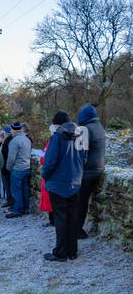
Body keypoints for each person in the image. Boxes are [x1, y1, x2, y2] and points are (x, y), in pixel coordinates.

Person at [41, 112, 85, 262]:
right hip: (76, 183)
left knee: (61, 219)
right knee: (72, 218)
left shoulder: (57, 137)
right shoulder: (80, 136)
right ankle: (72, 251)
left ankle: (60, 253)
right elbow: (83, 159)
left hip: (58, 185)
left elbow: (50, 162)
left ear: (57, 124)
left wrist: (45, 175)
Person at [76, 105, 105, 239]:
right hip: (98, 168)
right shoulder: (99, 127)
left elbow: (80, 153)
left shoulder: (85, 129)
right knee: (83, 201)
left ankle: (77, 230)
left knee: (80, 202)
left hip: (87, 171)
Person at [4, 122, 32, 218]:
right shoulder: (26, 139)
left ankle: (17, 209)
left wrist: (8, 167)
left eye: (11, 129)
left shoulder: (14, 141)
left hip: (17, 168)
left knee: (16, 190)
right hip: (27, 167)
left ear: (14, 130)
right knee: (25, 189)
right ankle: (26, 208)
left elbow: (11, 157)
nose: (10, 131)